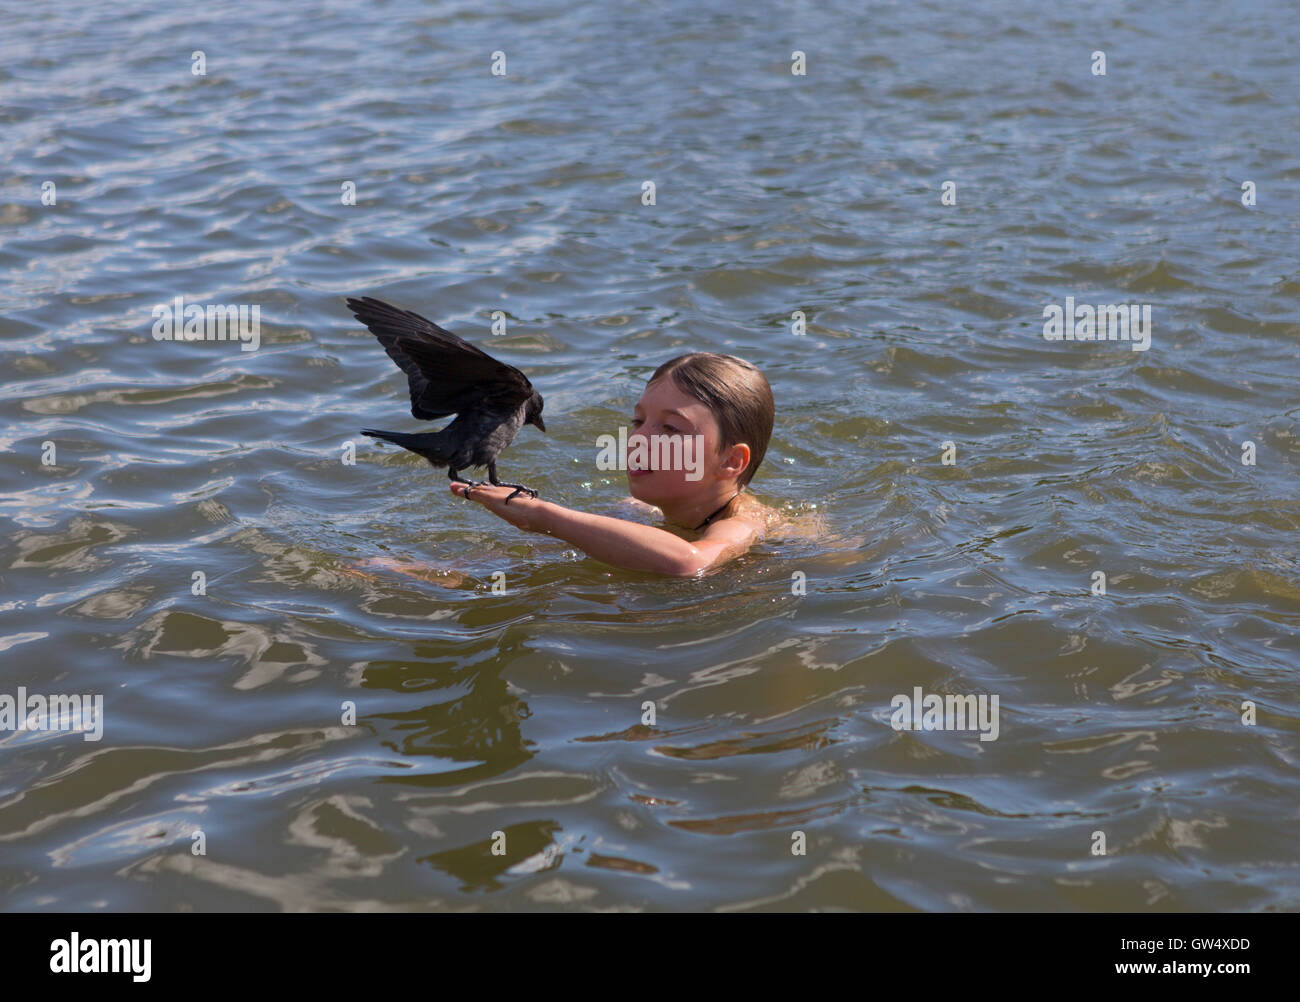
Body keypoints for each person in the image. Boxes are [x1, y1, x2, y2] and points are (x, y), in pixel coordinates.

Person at [452, 352, 777, 576]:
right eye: (638, 421)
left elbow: (691, 564)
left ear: (731, 461)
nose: (638, 438)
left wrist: (542, 514)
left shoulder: (743, 525)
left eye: (670, 428)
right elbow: (551, 547)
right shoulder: (637, 510)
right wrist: (456, 571)